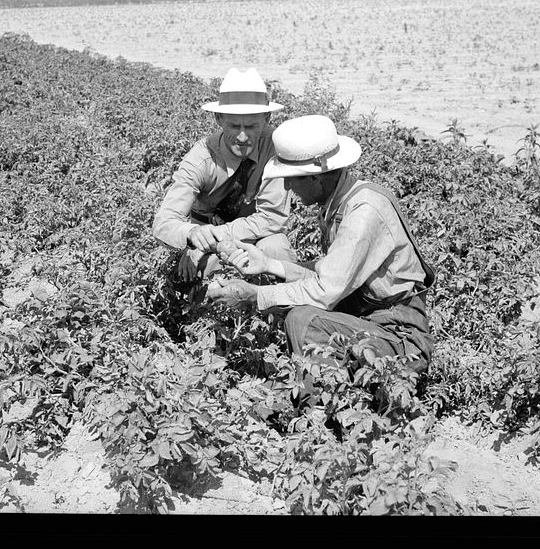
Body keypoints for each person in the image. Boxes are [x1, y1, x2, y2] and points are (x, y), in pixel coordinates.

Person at [207, 114, 436, 375]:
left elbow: (326, 290)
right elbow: (333, 275)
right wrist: (268, 264)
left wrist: (255, 295)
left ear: (316, 178)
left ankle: (314, 405)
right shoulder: (337, 203)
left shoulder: (363, 212)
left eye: (293, 177)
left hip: (400, 340)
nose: (287, 186)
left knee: (302, 318)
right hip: (370, 322)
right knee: (297, 304)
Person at [152, 67, 296, 287]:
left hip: (258, 233)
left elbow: (272, 218)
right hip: (207, 237)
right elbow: (164, 223)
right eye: (233, 126)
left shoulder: (275, 148)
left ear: (267, 118)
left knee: (276, 248)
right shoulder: (201, 158)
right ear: (218, 118)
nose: (242, 136)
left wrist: (215, 236)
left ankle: (282, 313)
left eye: (251, 126)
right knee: (196, 272)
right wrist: (193, 236)